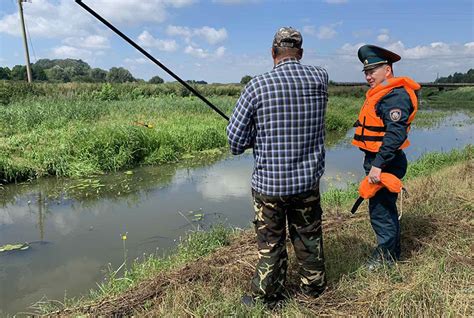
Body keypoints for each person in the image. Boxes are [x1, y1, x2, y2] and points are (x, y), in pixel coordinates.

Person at [226, 27, 328, 307]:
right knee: (308, 236)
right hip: (307, 182)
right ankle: (314, 290)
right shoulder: (320, 78)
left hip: (269, 186)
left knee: (271, 243)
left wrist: (252, 136)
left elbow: (235, 142)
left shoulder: (256, 86)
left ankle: (268, 297)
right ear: (301, 53)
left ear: (273, 53)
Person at [352, 44, 420, 269]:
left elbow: (395, 133)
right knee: (384, 208)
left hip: (385, 161)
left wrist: (378, 166)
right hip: (380, 159)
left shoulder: (395, 96)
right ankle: (393, 253)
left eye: (373, 71)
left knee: (380, 211)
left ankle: (385, 259)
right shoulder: (383, 93)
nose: (368, 76)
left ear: (388, 70)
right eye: (366, 72)